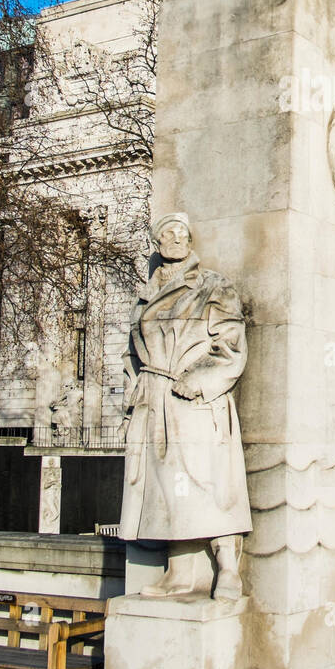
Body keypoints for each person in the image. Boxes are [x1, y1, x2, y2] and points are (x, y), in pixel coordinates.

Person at [119, 211, 252, 601]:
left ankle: (228, 567)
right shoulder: (145, 294)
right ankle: (179, 572)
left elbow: (231, 341)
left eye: (181, 232)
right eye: (167, 233)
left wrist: (201, 379)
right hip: (155, 396)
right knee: (166, 489)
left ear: (190, 240)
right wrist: (133, 399)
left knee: (210, 481)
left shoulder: (211, 284)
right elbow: (132, 354)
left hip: (193, 396)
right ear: (157, 242)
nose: (175, 238)